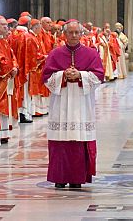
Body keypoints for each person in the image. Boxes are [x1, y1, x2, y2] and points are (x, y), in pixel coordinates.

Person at [42, 20, 104, 188]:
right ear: (65, 34)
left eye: (77, 32)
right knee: (60, 141)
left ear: (81, 34)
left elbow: (99, 76)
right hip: (61, 102)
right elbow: (46, 77)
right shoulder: (55, 54)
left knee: (79, 140)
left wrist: (80, 75)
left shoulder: (91, 54)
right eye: (70, 32)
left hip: (82, 103)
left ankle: (77, 178)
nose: (74, 35)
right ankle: (60, 178)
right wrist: (62, 75)